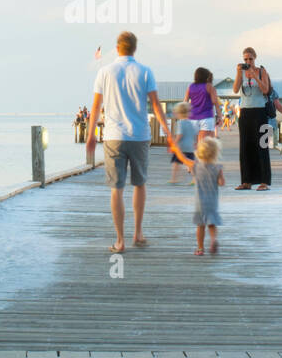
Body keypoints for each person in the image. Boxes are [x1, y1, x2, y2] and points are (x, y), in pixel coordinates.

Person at [85, 31, 172, 252]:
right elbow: (155, 104)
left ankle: (120, 240)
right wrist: (166, 130)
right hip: (140, 135)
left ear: (117, 47)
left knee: (116, 188)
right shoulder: (145, 72)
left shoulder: (105, 71)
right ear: (135, 48)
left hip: (113, 136)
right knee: (139, 184)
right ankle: (138, 232)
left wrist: (91, 135)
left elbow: (96, 107)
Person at [232, 46, 282, 191]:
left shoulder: (262, 71)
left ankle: (264, 181)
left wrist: (254, 75)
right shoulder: (241, 72)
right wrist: (239, 72)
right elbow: (235, 89)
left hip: (261, 113)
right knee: (245, 147)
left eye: (250, 59)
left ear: (255, 58)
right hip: (245, 113)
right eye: (245, 59)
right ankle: (246, 181)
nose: (248, 61)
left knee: (262, 146)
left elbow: (265, 90)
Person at [172, 134, 225, 255]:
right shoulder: (217, 168)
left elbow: (182, 158)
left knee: (200, 225)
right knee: (211, 223)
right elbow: (222, 183)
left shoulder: (195, 166)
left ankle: (200, 249)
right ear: (215, 153)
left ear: (199, 152)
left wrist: (176, 148)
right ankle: (213, 240)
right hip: (212, 202)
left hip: (200, 203)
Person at [185, 67, 222, 147]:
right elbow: (215, 103)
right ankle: (203, 159)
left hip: (192, 118)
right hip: (206, 117)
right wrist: (220, 117)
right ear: (205, 76)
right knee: (205, 146)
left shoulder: (190, 87)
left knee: (194, 145)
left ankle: (194, 159)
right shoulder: (209, 87)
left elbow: (185, 103)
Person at [169, 102, 197, 183]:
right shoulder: (191, 123)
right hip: (190, 147)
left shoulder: (180, 123)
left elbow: (179, 135)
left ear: (179, 113)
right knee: (190, 164)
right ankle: (195, 179)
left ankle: (174, 179)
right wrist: (195, 143)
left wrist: (174, 143)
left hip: (181, 148)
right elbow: (194, 135)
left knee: (176, 163)